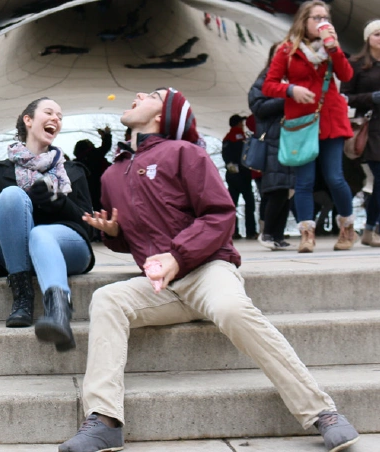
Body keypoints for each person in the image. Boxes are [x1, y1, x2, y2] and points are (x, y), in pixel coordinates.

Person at [58, 88, 360, 452]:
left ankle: (322, 412)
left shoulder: (186, 153)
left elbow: (220, 214)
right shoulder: (112, 175)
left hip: (208, 269)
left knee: (231, 308)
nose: (138, 94)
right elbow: (133, 241)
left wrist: (177, 256)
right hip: (161, 286)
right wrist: (114, 233)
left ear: (164, 115)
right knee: (107, 299)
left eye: (152, 95)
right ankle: (104, 420)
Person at [0, 97, 94, 350]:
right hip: (15, 253)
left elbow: (88, 226)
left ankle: (58, 312)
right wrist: (28, 201)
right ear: (28, 120)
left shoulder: (73, 171)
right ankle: (22, 295)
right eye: (49, 112)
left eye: (60, 116)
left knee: (40, 235)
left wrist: (57, 201)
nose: (56, 118)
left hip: (67, 248)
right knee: (12, 195)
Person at [262, 0, 356, 253]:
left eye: (325, 18)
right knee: (304, 181)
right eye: (316, 18)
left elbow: (347, 76)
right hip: (301, 123)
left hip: (331, 120)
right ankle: (307, 234)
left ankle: (347, 227)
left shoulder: (331, 48)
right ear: (304, 21)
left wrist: (334, 48)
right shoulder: (287, 50)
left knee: (335, 177)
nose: (322, 22)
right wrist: (291, 90)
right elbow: (269, 85)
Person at [249, 43, 296, 250]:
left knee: (287, 190)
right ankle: (267, 232)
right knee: (277, 188)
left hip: (290, 139)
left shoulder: (293, 79)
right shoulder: (265, 79)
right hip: (273, 140)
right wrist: (287, 99)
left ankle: (278, 234)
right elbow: (258, 107)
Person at [341, 19, 380, 247]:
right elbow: (345, 96)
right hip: (371, 128)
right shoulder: (356, 64)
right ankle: (370, 228)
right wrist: (371, 98)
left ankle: (371, 229)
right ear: (368, 38)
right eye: (377, 34)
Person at [222, 114, 258, 239]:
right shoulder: (239, 136)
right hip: (243, 175)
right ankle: (251, 231)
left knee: (232, 204)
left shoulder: (227, 138)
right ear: (238, 124)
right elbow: (244, 155)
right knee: (249, 203)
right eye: (241, 124)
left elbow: (226, 156)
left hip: (231, 175)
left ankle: (233, 231)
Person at [73, 126, 112, 213]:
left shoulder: (77, 162)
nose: (92, 144)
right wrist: (107, 135)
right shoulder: (94, 154)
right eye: (89, 142)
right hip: (102, 186)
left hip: (88, 191)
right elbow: (106, 146)